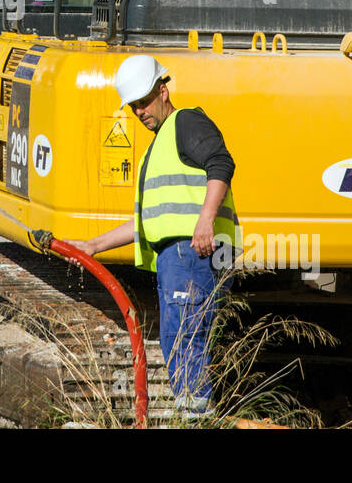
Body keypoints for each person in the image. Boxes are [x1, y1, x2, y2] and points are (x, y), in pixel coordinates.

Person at [68, 55, 239, 412]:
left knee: (185, 337)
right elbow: (147, 220)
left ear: (163, 91)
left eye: (144, 102)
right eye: (133, 107)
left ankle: (194, 416)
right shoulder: (159, 146)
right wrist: (94, 245)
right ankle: (192, 411)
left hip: (194, 253)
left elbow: (221, 163)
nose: (139, 111)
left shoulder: (185, 122)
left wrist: (205, 220)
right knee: (178, 337)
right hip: (178, 256)